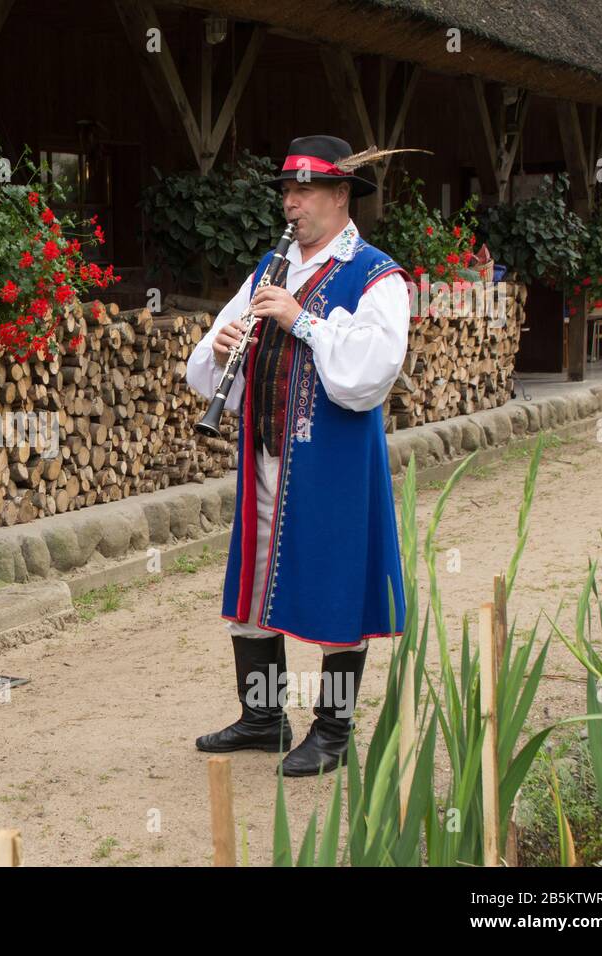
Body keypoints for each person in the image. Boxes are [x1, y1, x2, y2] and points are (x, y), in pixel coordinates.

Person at [186, 135, 410, 777]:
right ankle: (263, 717)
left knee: (336, 585)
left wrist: (301, 320)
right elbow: (207, 362)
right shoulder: (272, 265)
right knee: (256, 581)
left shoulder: (377, 275)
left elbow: (370, 373)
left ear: (341, 196)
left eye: (304, 190)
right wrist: (224, 346)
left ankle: (332, 731)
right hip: (264, 454)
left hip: (333, 462)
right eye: (286, 191)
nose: (291, 203)